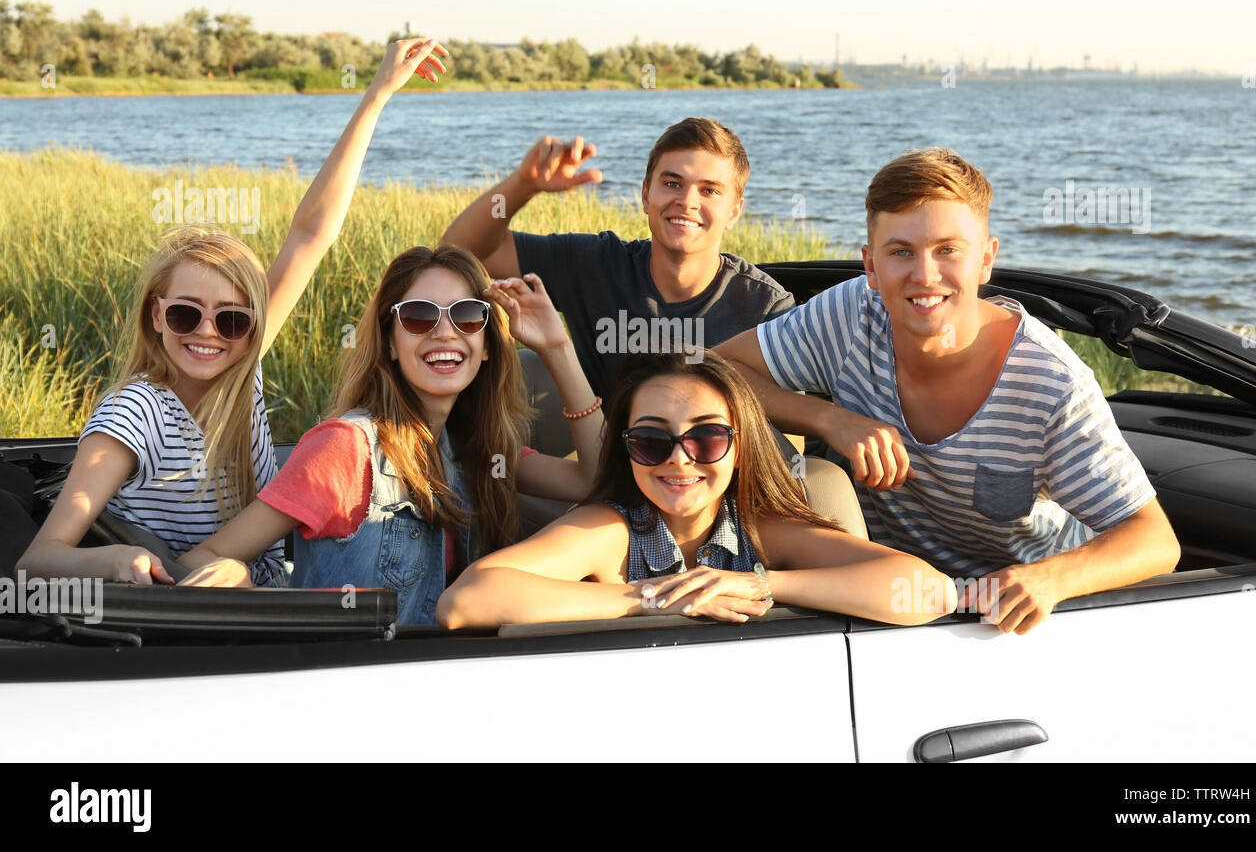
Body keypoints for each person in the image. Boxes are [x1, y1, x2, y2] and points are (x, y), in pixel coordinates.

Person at [17, 37, 451, 587]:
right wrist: (109, 562)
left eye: (231, 319)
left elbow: (311, 233)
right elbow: (40, 559)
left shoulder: (242, 366)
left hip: (270, 587)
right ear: (156, 316)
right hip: (211, 609)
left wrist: (377, 96)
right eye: (184, 315)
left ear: (250, 329)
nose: (208, 334)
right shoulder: (135, 416)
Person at [716, 147, 1181, 634]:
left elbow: (1154, 541)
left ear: (985, 260)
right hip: (882, 600)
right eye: (901, 252)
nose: (924, 274)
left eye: (947, 250)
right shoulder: (851, 314)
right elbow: (720, 368)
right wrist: (830, 419)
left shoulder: (1052, 385)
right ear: (870, 267)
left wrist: (1049, 580)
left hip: (1009, 619)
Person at [178, 246, 605, 625]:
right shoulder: (345, 448)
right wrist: (238, 575)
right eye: (419, 317)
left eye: (467, 315)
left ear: (488, 343)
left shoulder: (479, 450)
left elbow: (593, 479)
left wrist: (556, 346)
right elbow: (204, 557)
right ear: (390, 342)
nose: (444, 331)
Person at [437, 351, 956, 630]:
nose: (679, 458)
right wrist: (650, 599)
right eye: (651, 440)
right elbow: (464, 602)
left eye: (706, 437)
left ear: (739, 444)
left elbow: (931, 591)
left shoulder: (766, 529)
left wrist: (761, 585)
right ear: (626, 447)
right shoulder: (611, 528)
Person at [440, 118, 794, 402]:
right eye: (672, 183)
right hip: (604, 471)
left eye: (709, 190)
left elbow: (780, 425)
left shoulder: (765, 306)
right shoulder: (595, 265)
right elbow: (461, 252)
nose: (687, 201)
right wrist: (524, 185)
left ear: (734, 211)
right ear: (645, 194)